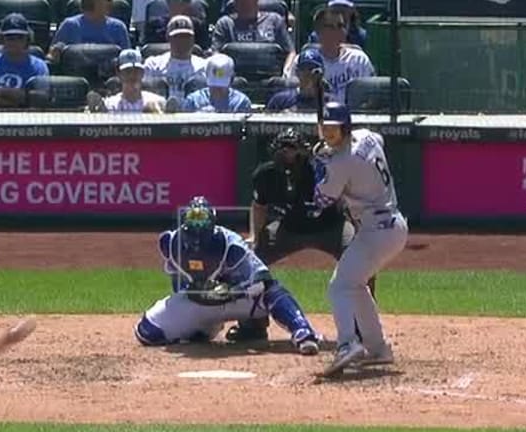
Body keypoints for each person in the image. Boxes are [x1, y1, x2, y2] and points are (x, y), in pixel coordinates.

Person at [134, 197, 320, 354]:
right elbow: (177, 279)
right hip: (200, 303)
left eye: (202, 222)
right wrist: (193, 292)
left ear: (213, 225)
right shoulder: (171, 243)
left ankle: (302, 331)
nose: (197, 228)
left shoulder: (231, 245)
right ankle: (201, 330)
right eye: (193, 221)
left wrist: (231, 291)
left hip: (234, 301)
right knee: (147, 332)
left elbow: (263, 279)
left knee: (271, 291)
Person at [226, 128, 360, 345]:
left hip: (331, 226)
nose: (286, 155)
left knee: (359, 256)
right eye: (282, 150)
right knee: (248, 262)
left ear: (303, 152)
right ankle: (253, 325)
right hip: (288, 228)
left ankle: (361, 326)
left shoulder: (322, 170)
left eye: (291, 150)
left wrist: (355, 225)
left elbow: (346, 196)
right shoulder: (265, 174)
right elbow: (259, 207)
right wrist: (254, 237)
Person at [312, 102, 407, 377]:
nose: (329, 135)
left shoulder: (341, 164)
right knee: (354, 285)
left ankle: (347, 344)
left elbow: (322, 200)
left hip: (376, 230)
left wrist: (320, 167)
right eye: (326, 130)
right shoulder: (366, 136)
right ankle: (377, 348)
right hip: (391, 226)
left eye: (334, 130)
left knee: (338, 286)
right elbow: (378, 141)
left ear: (345, 128)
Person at [284, 8, 375, 104]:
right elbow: (293, 92)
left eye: (342, 26)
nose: (341, 30)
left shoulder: (359, 60)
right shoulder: (303, 61)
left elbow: (371, 95)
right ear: (319, 31)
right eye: (333, 26)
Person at [0, 14, 50, 109]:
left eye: (20, 37)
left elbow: (40, 99)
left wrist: (2, 92)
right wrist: (20, 100)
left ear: (28, 39)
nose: (14, 41)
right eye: (10, 37)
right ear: (2, 39)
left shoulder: (39, 66)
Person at [51, 0, 131, 63]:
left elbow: (127, 61)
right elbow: (52, 57)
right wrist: (56, 54)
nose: (110, 1)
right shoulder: (70, 25)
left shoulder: (118, 28)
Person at [210, 0, 292, 54]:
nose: (242, 1)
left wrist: (286, 69)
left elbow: (290, 52)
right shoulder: (225, 24)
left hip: (271, 68)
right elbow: (216, 54)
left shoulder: (274, 20)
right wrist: (220, 69)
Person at [143, 16, 209, 102]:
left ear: (193, 38)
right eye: (177, 37)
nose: (182, 41)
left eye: (186, 37)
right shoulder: (153, 64)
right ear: (168, 37)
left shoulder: (205, 66)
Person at [140, 0, 211, 48]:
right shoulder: (155, 26)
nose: (179, 2)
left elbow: (205, 52)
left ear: (190, 1)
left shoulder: (199, 27)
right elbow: (146, 51)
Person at [85, 48, 164, 113]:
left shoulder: (158, 102)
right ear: (118, 73)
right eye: (128, 71)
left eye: (136, 70)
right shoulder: (110, 105)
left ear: (142, 73)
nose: (132, 75)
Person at [181, 53, 252, 112]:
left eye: (221, 86)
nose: (217, 89)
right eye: (213, 85)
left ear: (231, 80)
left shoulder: (241, 102)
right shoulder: (193, 101)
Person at [266, 48, 326, 112]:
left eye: (312, 70)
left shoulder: (330, 102)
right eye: (304, 70)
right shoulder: (280, 101)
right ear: (297, 73)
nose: (308, 74)